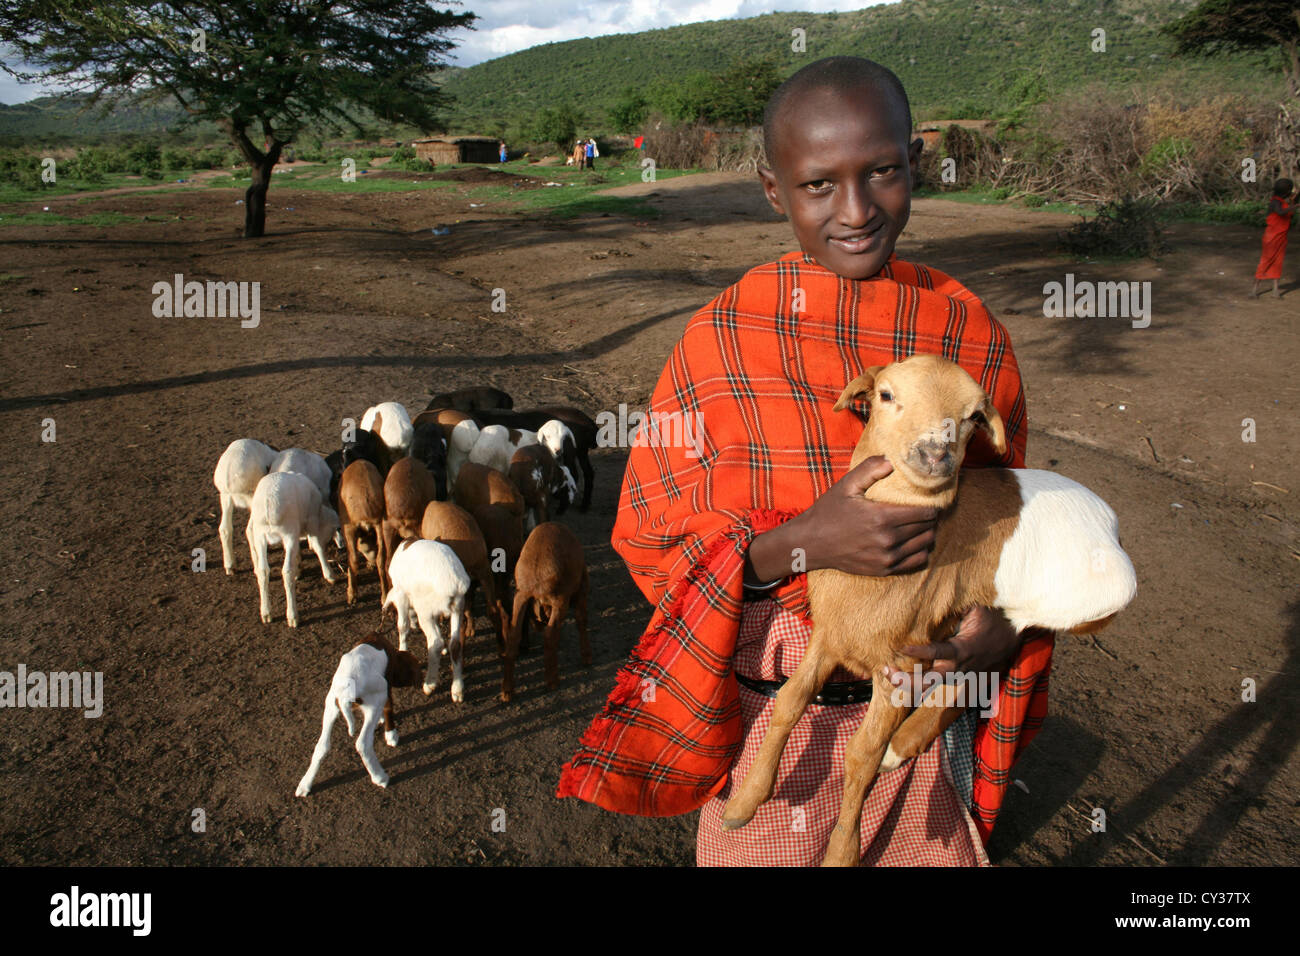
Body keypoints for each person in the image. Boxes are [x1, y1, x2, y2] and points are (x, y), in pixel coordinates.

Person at [558, 56, 1052, 866]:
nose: (855, 210)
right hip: (775, 722)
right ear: (772, 189)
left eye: (883, 171)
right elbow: (648, 538)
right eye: (819, 184)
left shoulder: (969, 335)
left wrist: (991, 631)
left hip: (921, 716)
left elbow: (1006, 520)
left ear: (915, 163)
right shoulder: (720, 339)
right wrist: (802, 543)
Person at [1253, 177, 1293, 298]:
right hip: (1272, 238)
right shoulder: (1275, 202)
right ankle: (1254, 289)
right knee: (1266, 261)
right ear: (1287, 192)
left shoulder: (1281, 200)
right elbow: (1281, 212)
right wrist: (1294, 207)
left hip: (1280, 237)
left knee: (1277, 262)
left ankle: (1275, 290)